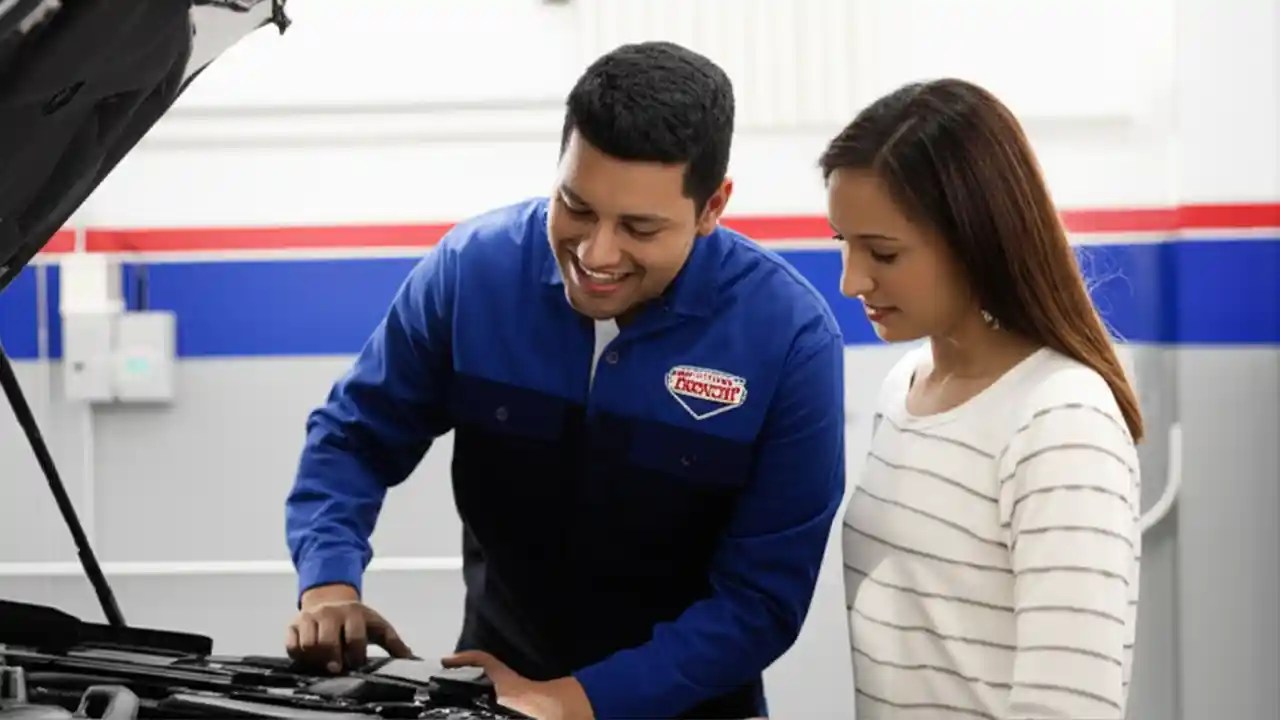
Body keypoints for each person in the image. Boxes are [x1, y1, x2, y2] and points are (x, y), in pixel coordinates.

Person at [282, 41, 847, 720]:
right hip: (494, 693)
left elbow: (760, 602)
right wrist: (329, 585)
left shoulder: (789, 339)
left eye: (639, 226)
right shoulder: (471, 274)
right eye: (576, 206)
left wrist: (572, 704)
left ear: (712, 206)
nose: (596, 252)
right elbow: (354, 438)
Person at [821, 78, 1143, 719]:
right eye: (844, 244)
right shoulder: (903, 391)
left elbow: (1068, 708)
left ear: (977, 239)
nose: (852, 279)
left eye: (882, 252)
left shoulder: (1060, 418)